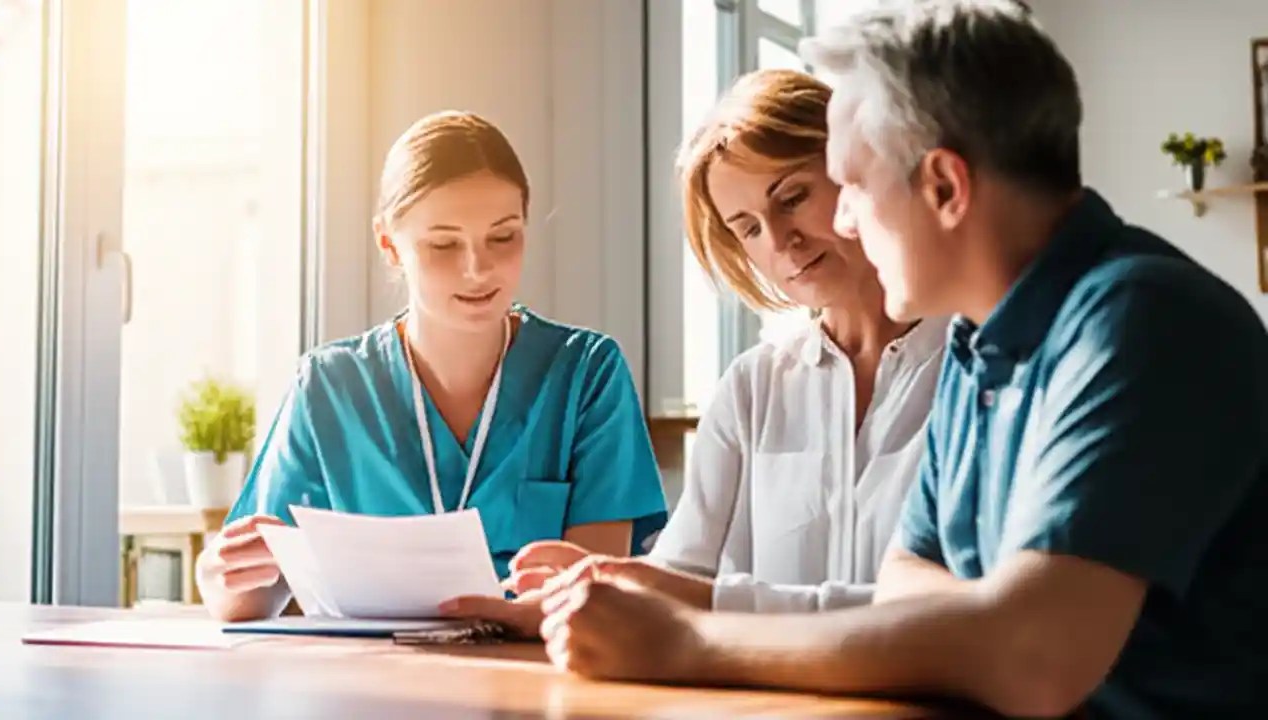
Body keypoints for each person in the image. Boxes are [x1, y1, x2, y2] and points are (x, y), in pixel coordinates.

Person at [530, 2, 1268, 718]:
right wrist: (986, 623)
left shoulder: (1141, 321)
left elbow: (1031, 658)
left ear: (944, 186)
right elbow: (908, 592)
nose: (841, 219)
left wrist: (692, 641)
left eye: (848, 184)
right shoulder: (982, 345)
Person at [443, 69, 947, 632]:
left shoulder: (985, 369)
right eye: (748, 228)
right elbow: (681, 574)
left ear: (857, 172)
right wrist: (599, 584)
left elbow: (962, 617)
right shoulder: (753, 386)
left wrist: (666, 590)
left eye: (793, 198)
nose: (780, 242)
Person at [197, 111, 668, 622]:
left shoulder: (586, 374)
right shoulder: (329, 388)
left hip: (533, 679)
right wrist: (221, 579)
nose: (478, 268)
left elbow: (595, 594)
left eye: (503, 237)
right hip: (375, 688)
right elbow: (256, 590)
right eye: (443, 244)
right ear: (388, 244)